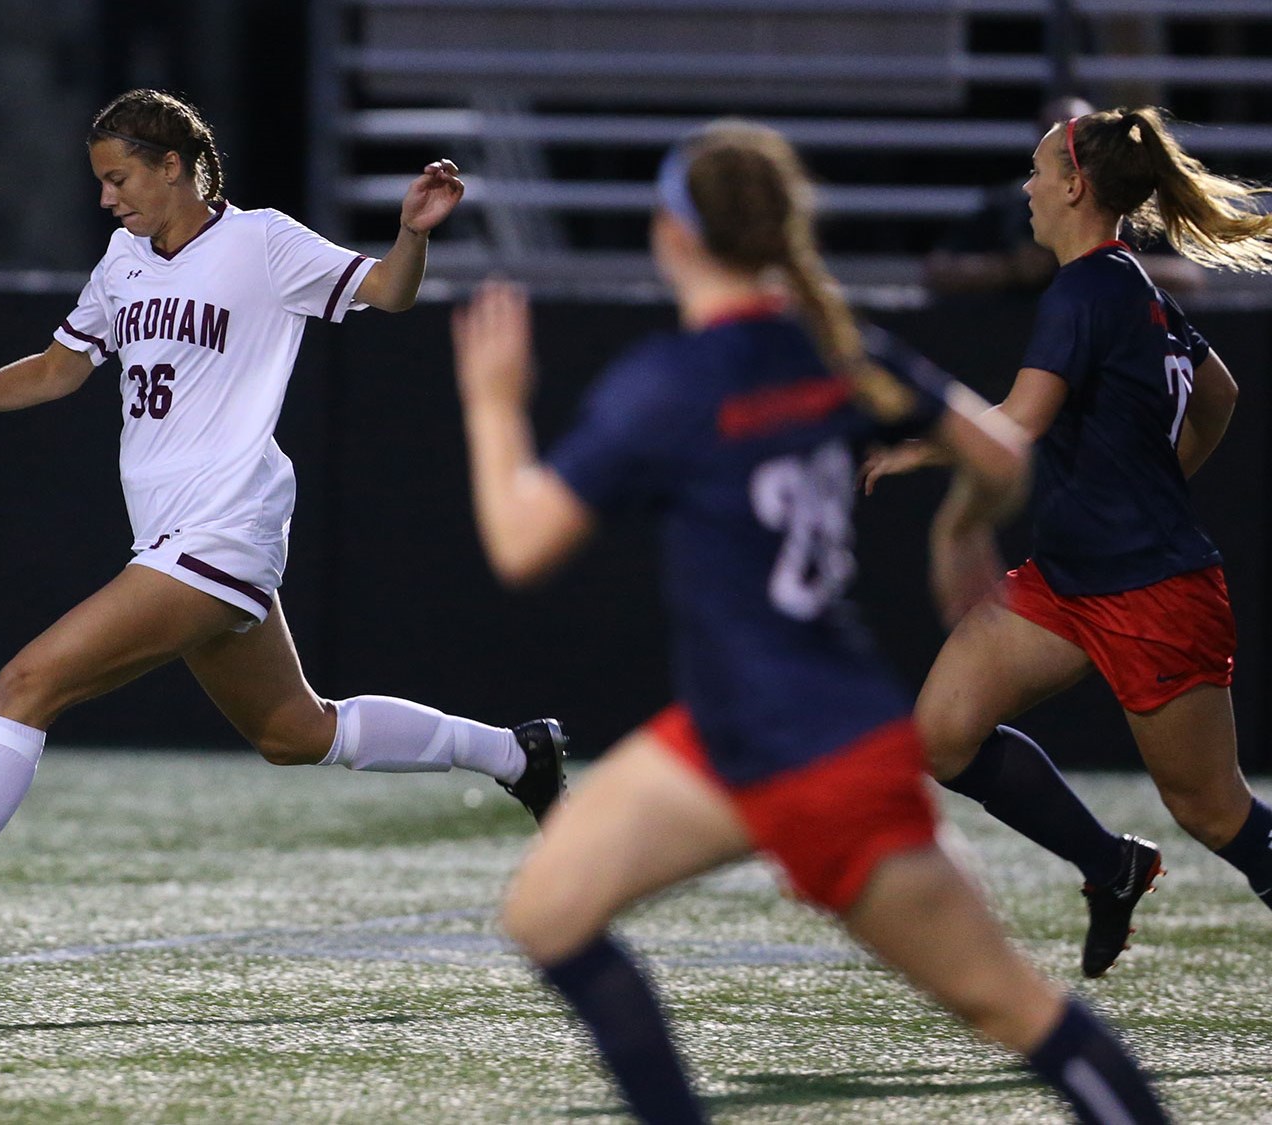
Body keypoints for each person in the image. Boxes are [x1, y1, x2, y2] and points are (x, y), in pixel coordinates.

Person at [452, 120, 1168, 1124]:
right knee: (546, 912)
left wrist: (492, 405)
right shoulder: (834, 348)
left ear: (673, 237)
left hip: (818, 757)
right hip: (735, 738)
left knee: (1006, 1004)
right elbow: (1000, 456)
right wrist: (956, 529)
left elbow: (520, 544)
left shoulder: (668, 382)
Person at [0, 89, 567, 969]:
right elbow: (59, 368)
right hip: (171, 535)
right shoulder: (124, 258)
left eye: (119, 176)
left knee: (27, 682)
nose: (107, 198)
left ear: (176, 166)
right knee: (296, 732)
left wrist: (414, 233)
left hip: (224, 524)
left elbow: (389, 292)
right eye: (100, 180)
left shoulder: (263, 243)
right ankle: (519, 755)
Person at [867, 105, 1272, 979]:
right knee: (944, 733)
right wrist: (1155, 481)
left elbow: (1017, 422)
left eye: (1040, 170)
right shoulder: (1129, 283)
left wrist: (919, 445)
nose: (1028, 187)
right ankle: (1111, 865)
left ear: (1076, 185)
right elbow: (1220, 393)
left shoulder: (1090, 286)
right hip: (1073, 581)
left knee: (1213, 811)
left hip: (1154, 590)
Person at [923, 96, 1205, 297]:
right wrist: (1010, 270)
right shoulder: (1012, 207)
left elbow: (1188, 278)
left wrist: (1100, 263)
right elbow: (937, 271)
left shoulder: (1127, 208)